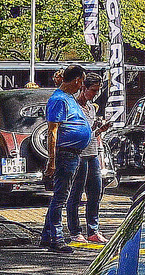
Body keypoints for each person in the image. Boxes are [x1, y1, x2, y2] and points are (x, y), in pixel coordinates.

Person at [39, 64, 91, 253]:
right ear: (77, 80)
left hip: (73, 152)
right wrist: (51, 161)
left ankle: (47, 235)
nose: (82, 86)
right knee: (61, 197)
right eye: (82, 81)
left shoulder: (68, 98)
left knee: (61, 195)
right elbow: (52, 131)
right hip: (65, 153)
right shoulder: (59, 99)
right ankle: (56, 238)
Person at [66, 75, 107, 245]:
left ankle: (93, 229)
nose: (95, 94)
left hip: (92, 153)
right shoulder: (74, 106)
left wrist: (99, 131)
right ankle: (75, 230)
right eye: (93, 90)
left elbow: (91, 134)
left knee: (95, 192)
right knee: (75, 194)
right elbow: (75, 131)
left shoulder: (91, 107)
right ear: (83, 87)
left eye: (98, 91)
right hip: (79, 154)